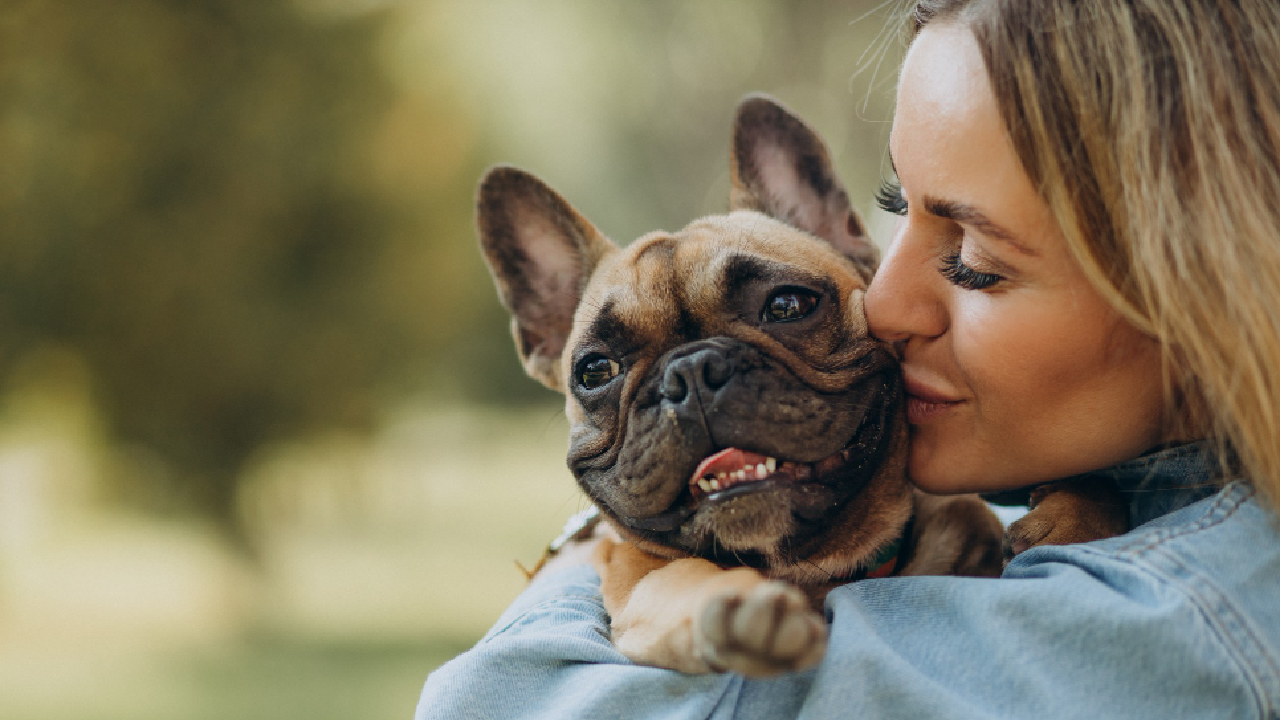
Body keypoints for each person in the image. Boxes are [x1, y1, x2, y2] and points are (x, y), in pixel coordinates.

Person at [417, 0, 1280, 717]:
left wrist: (595, 563)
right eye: (898, 208)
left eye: (976, 258)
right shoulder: (1065, 514)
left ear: (1200, 279)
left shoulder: (1185, 617)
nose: (886, 304)